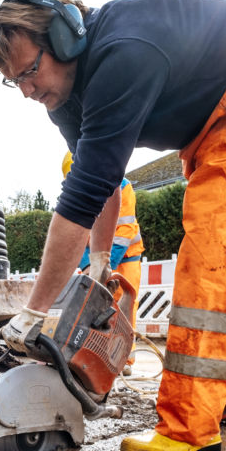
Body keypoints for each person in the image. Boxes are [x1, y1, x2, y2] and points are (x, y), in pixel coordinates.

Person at [0, 0, 226, 451]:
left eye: (29, 72)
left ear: (63, 37)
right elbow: (103, 180)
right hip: (212, 120)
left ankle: (189, 428)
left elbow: (80, 196)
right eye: (14, 81)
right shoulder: (64, 98)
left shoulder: (123, 52)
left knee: (215, 249)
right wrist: (98, 262)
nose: (26, 90)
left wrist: (35, 310)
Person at [63, 152, 144, 372]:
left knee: (124, 307)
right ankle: (101, 357)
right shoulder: (78, 197)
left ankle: (124, 361)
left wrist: (107, 265)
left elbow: (124, 233)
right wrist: (87, 266)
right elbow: (78, 235)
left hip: (126, 258)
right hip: (99, 260)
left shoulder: (123, 188)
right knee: (99, 309)